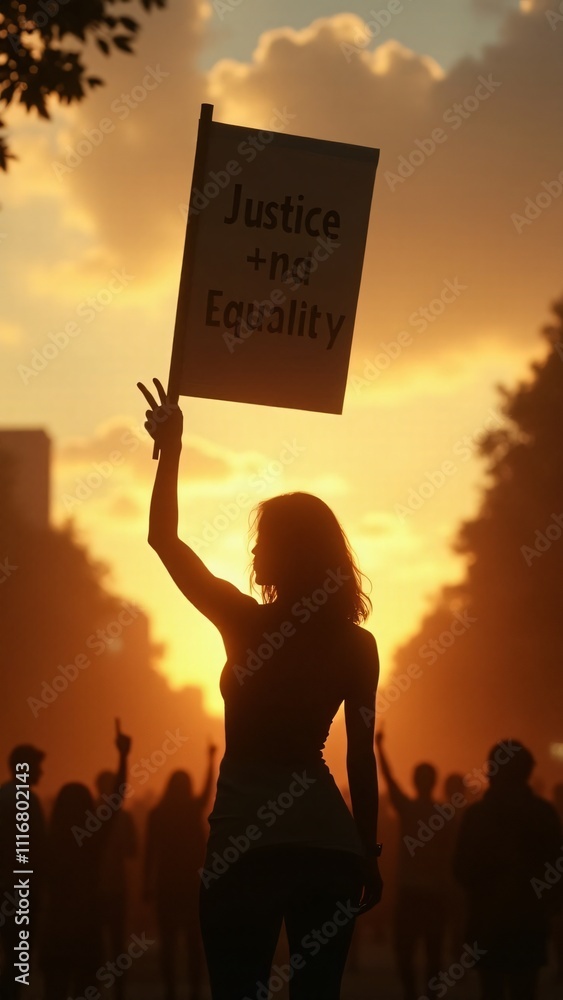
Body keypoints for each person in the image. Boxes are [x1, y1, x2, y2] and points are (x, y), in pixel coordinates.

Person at [138, 377, 383, 1000]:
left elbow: (164, 542)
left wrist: (172, 451)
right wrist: (366, 852)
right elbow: (359, 757)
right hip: (326, 846)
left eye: (263, 539)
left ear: (276, 555)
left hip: (244, 843)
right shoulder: (358, 645)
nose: (253, 549)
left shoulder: (244, 622)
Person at [453, 741, 563, 1000]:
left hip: (488, 921)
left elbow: (460, 870)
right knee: (524, 991)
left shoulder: (477, 816)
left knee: (491, 990)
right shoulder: (543, 813)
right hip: (529, 922)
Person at [41, 722, 132, 1000]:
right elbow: (115, 800)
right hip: (87, 932)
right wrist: (123, 756)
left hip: (55, 932)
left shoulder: (48, 843)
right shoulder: (91, 841)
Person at [375, 730, 449, 1000]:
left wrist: (379, 747)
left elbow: (389, 779)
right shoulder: (444, 815)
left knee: (404, 949)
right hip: (435, 892)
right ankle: (429, 994)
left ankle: (410, 994)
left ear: (416, 781)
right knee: (433, 950)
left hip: (410, 890)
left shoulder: (407, 808)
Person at [143, 745, 217, 1000]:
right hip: (190, 886)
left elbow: (149, 853)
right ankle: (194, 991)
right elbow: (206, 792)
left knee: (169, 943)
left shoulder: (157, 814)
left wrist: (146, 885)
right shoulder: (190, 811)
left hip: (167, 886)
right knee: (193, 943)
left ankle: (171, 990)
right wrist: (210, 760)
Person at [0, 745, 46, 1000]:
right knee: (19, 961)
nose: (42, 771)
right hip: (20, 891)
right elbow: (37, 848)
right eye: (37, 766)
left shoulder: (3, 796)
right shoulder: (26, 801)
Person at [95, 769, 138, 1000]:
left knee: (98, 943)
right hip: (114, 888)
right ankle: (117, 992)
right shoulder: (124, 817)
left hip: (98, 889)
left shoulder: (90, 814)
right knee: (116, 944)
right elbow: (133, 850)